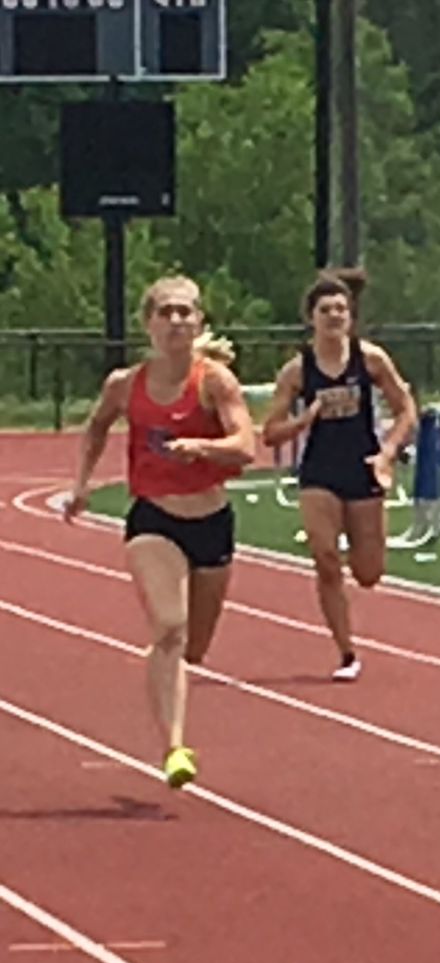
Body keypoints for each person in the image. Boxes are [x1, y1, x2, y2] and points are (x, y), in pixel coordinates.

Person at [63, 275, 257, 788]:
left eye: (185, 312)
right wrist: (81, 484)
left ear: (199, 323)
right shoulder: (125, 385)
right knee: (169, 628)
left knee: (193, 648)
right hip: (154, 519)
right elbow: (97, 426)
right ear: (148, 323)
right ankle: (173, 747)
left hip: (212, 522)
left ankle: (169, 681)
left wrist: (204, 448)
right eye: (166, 312)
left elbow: (246, 445)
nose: (175, 320)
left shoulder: (214, 382)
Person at [261, 270, 417, 681]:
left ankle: (359, 546)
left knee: (368, 573)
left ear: (351, 316)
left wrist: (387, 453)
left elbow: (406, 409)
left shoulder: (370, 359)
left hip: (363, 467)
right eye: (325, 309)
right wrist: (302, 421)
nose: (334, 316)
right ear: (311, 318)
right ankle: (347, 652)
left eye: (341, 309)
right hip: (319, 472)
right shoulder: (297, 371)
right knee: (325, 561)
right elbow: (270, 433)